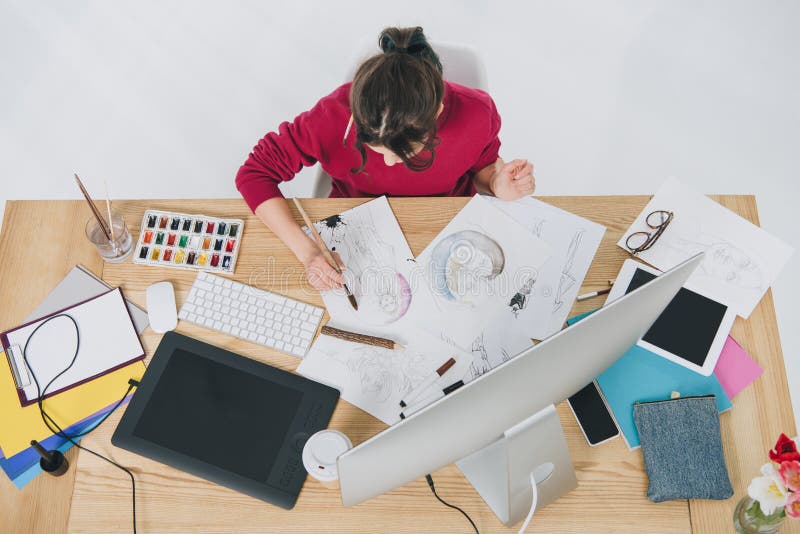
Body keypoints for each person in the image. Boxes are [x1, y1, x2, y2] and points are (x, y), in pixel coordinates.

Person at [236, 26, 536, 291]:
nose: (390, 164)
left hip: (447, 230)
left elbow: (481, 167)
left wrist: (497, 183)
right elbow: (255, 174)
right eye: (377, 150)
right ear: (354, 114)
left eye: (406, 153)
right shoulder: (332, 114)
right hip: (355, 228)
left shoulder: (476, 111)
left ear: (437, 114)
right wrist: (308, 252)